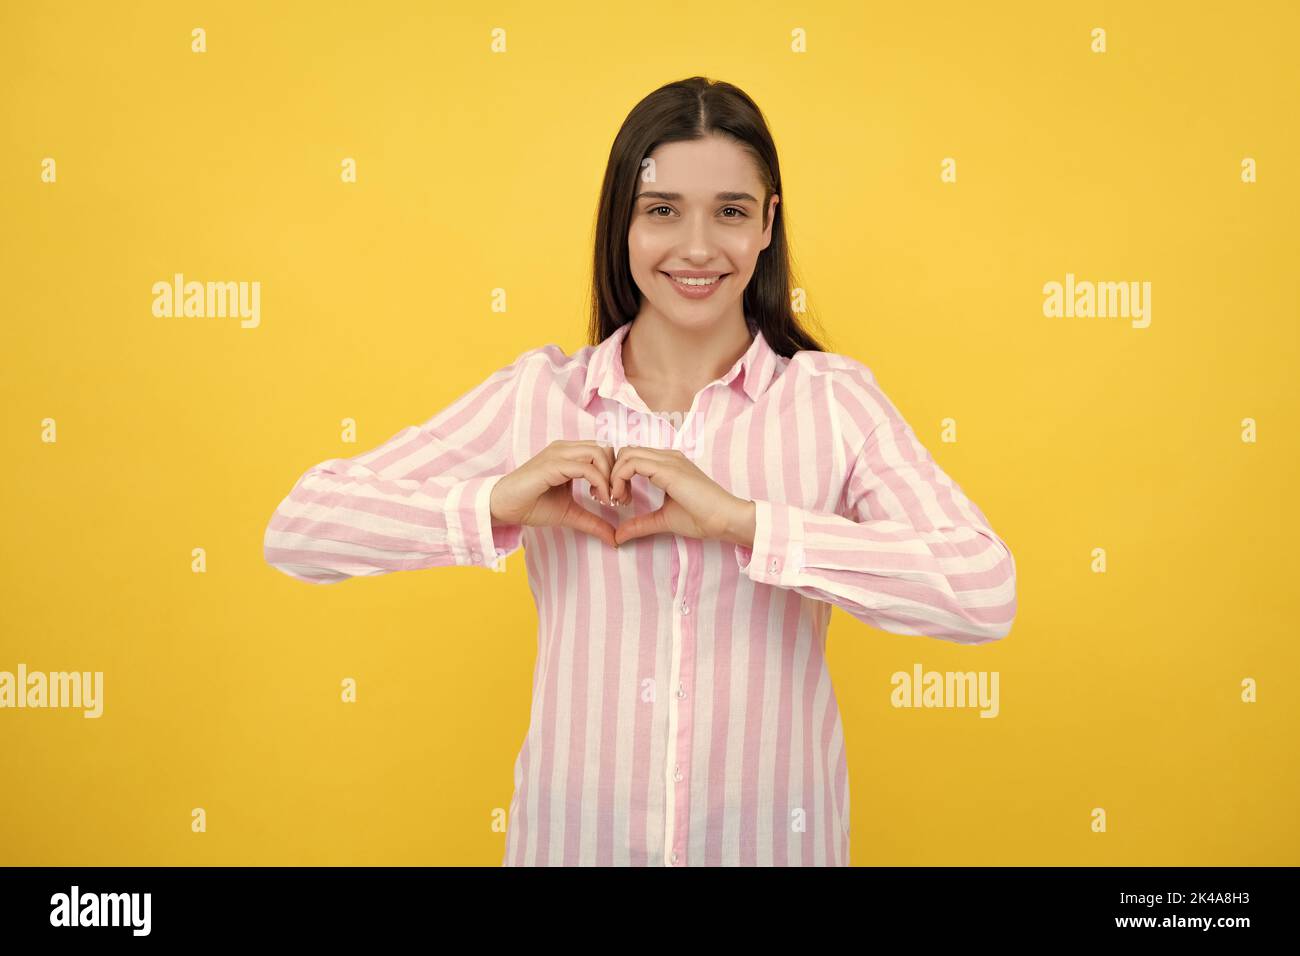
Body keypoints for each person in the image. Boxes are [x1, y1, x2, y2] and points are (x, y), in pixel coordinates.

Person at [263, 76, 1017, 866]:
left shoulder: (833, 404)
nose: (697, 247)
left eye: (729, 211)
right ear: (622, 225)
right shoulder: (538, 400)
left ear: (767, 223)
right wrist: (494, 504)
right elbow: (301, 528)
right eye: (662, 211)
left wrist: (746, 523)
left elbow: (984, 590)